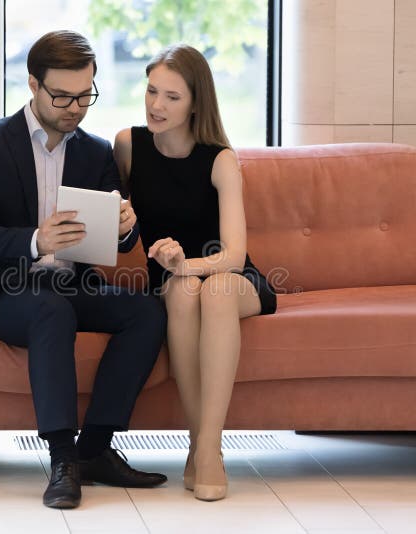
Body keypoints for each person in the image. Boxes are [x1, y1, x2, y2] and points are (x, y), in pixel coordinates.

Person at [0, 30, 168, 509]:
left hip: (72, 283)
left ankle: (96, 449)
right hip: (3, 287)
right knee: (49, 309)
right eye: (63, 96)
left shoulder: (94, 151)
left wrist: (127, 225)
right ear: (32, 84)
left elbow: (114, 236)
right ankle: (63, 458)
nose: (75, 107)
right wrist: (34, 241)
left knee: (146, 311)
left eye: (85, 94)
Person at [113, 44, 277, 501]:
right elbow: (119, 225)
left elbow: (234, 254)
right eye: (151, 91)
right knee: (184, 292)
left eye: (172, 97)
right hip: (172, 280)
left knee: (215, 290)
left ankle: (208, 448)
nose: (156, 105)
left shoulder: (220, 159)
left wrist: (186, 264)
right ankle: (198, 442)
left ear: (196, 104)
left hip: (230, 276)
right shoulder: (127, 146)